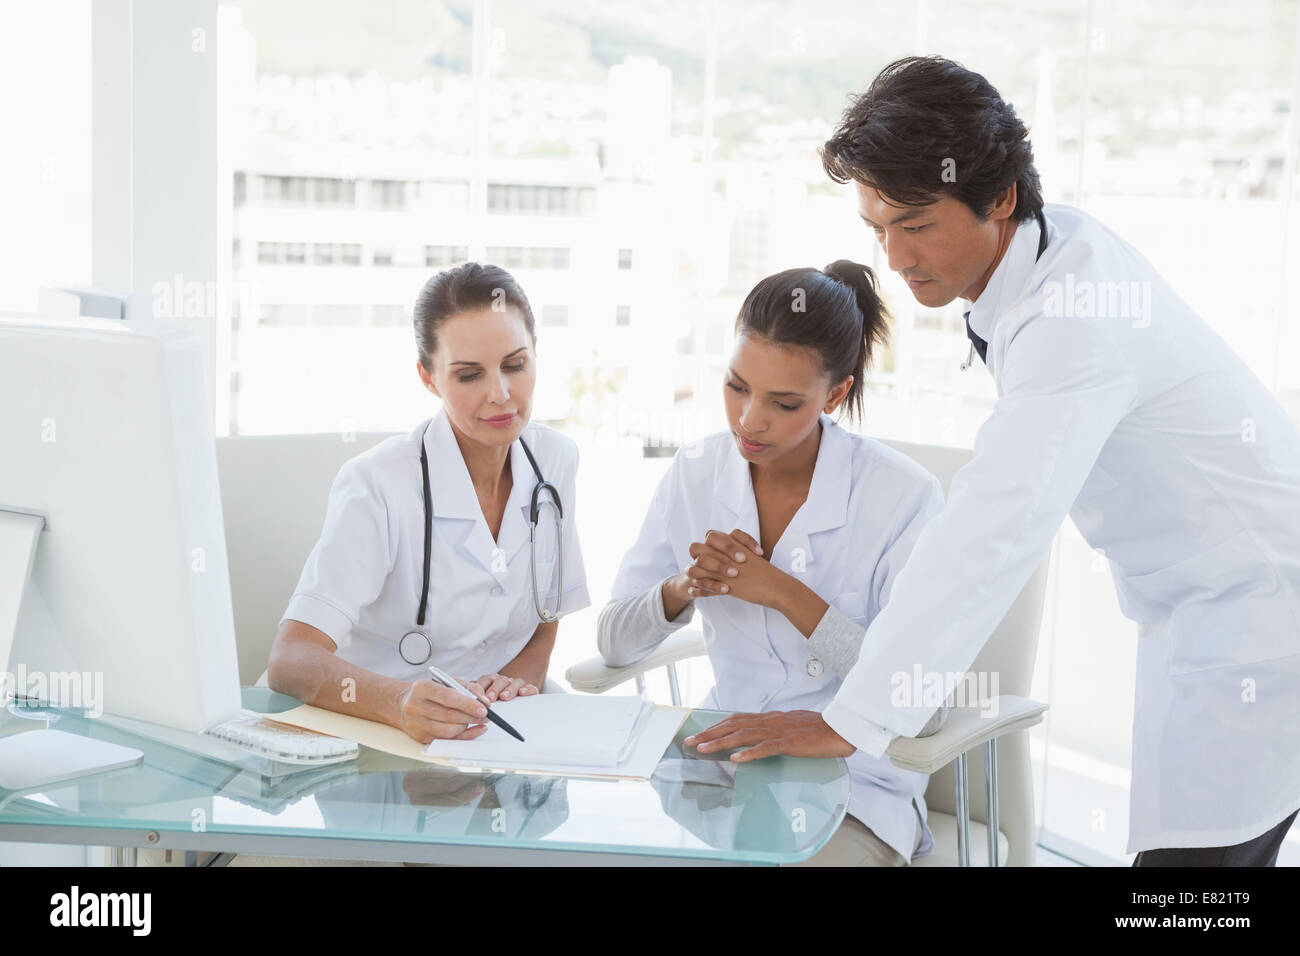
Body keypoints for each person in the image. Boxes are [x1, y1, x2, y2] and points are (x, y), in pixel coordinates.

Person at [687, 55, 1300, 867]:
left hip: (1260, 618)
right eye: (878, 228)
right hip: (1208, 615)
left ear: (1000, 197)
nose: (897, 257)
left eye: (916, 222)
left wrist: (853, 717)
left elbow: (991, 530)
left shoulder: (1074, 320)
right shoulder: (1049, 261)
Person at [598, 261, 947, 866]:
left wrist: (785, 593)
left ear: (835, 394)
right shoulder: (695, 472)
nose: (749, 420)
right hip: (718, 768)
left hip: (854, 786)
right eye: (736, 386)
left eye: (783, 403)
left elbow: (922, 701)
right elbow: (612, 644)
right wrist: (681, 590)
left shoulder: (903, 497)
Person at [267, 262, 590, 745]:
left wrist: (518, 677)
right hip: (368, 737)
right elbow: (290, 661)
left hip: (492, 733)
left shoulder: (555, 461)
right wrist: (397, 702)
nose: (500, 394)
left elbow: (547, 614)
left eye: (515, 365)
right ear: (429, 377)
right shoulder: (378, 483)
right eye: (468, 375)